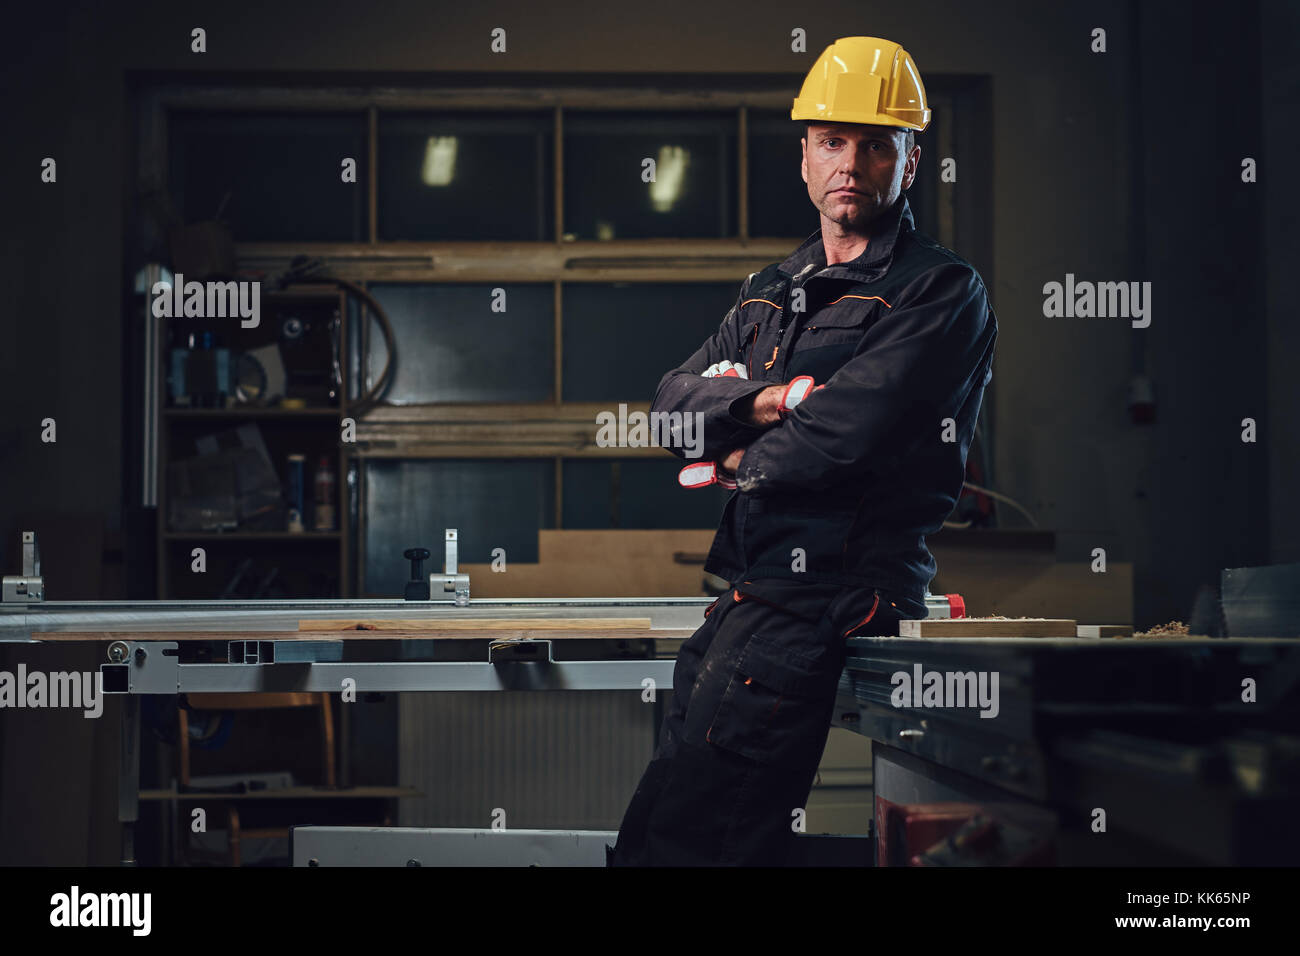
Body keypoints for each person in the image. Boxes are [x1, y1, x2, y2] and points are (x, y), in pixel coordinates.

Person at [610, 36, 998, 866]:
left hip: (833, 593)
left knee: (706, 839)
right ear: (804, 157)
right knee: (653, 828)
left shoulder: (939, 291)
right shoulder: (767, 292)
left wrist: (739, 454)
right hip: (749, 592)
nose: (850, 162)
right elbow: (669, 413)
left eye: (875, 142)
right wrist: (764, 400)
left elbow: (845, 439)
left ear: (911, 159)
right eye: (831, 141)